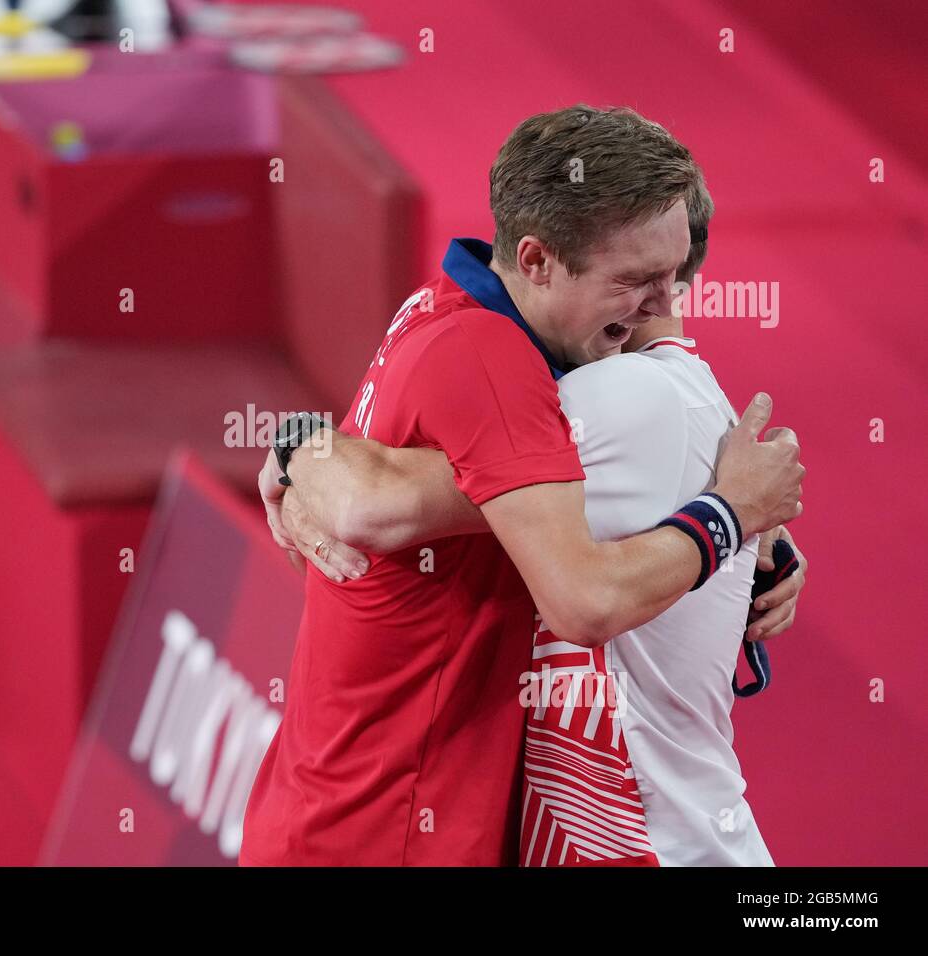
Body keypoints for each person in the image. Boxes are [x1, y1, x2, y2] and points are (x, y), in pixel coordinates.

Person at [238, 106, 804, 867]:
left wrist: (294, 446)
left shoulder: (437, 305)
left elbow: (355, 516)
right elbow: (581, 600)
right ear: (536, 260)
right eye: (636, 281)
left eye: (675, 277)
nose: (667, 307)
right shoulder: (499, 367)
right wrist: (732, 514)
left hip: (325, 805)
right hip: (392, 831)